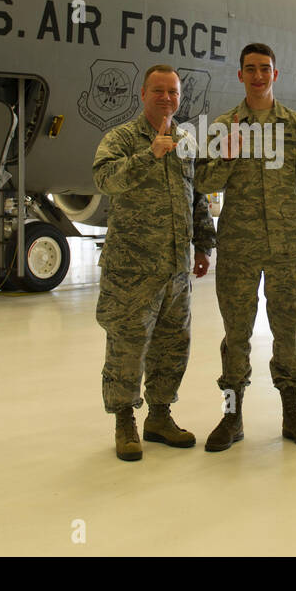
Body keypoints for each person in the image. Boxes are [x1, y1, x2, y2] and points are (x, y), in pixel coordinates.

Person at [196, 43, 296, 451]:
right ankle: (232, 416)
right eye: (250, 69)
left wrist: (284, 214)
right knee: (236, 334)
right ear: (240, 75)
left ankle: (292, 413)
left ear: (275, 74)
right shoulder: (224, 125)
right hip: (239, 248)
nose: (258, 76)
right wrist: (227, 156)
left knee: (289, 331)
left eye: (265, 68)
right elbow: (204, 181)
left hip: (286, 248)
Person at [93, 64, 215, 461]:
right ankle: (125, 421)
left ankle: (160, 415)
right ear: (142, 94)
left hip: (176, 267)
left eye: (173, 92)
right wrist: (150, 155)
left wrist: (203, 245)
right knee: (127, 345)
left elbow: (195, 196)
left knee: (172, 345)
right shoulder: (122, 138)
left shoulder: (185, 141)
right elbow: (106, 180)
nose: (166, 99)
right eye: (158, 91)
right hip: (132, 269)